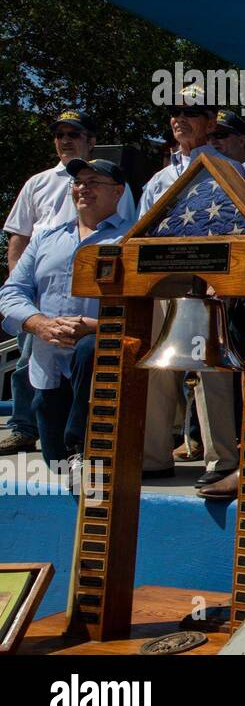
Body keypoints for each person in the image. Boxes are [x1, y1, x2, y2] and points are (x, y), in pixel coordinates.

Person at [1, 110, 136, 456]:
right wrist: (38, 322)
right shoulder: (45, 240)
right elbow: (11, 292)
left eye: (94, 183)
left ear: (118, 192)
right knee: (54, 460)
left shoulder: (130, 243)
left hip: (99, 369)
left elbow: (148, 305)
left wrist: (95, 327)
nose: (83, 189)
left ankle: (84, 455)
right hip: (47, 362)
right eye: (79, 183)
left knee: (85, 457)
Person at [138, 87, 245, 484]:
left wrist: (225, 284)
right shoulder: (158, 178)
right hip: (160, 282)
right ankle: (153, 457)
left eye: (191, 112)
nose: (180, 118)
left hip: (209, 282)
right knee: (157, 369)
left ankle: (221, 461)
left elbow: (242, 230)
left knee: (210, 370)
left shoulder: (229, 170)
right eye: (175, 111)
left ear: (210, 122)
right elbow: (140, 232)